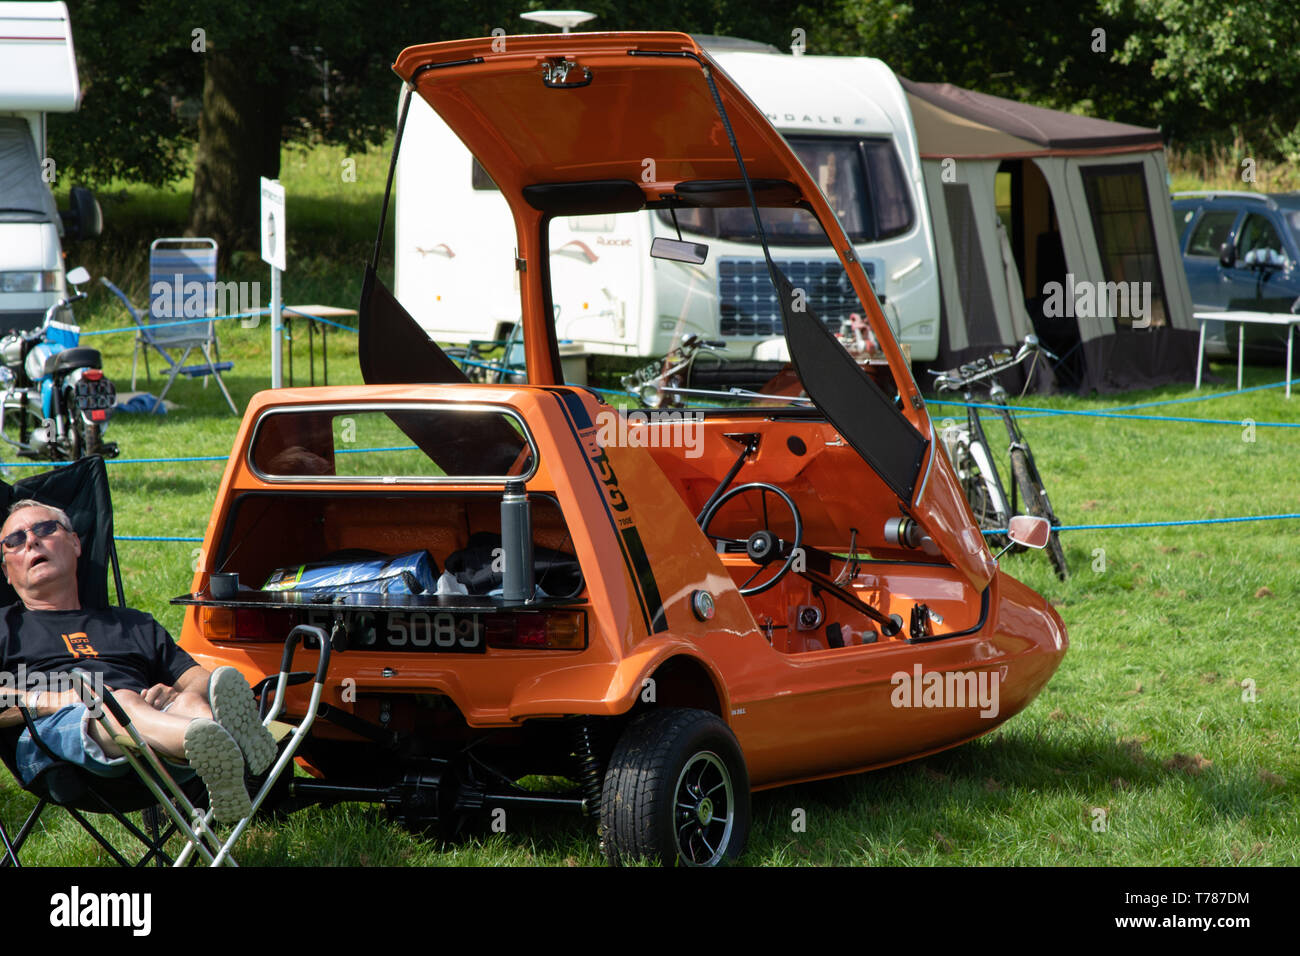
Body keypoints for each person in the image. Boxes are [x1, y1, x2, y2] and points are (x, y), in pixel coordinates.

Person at [0, 499, 277, 823]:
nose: (32, 540)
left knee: (189, 699)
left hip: (152, 729)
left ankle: (212, 743)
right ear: (5, 570)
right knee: (118, 701)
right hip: (53, 740)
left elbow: (196, 677)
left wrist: (175, 694)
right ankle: (225, 741)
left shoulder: (133, 624)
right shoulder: (5, 627)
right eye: (15, 540)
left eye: (45, 529)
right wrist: (45, 701)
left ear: (75, 543)